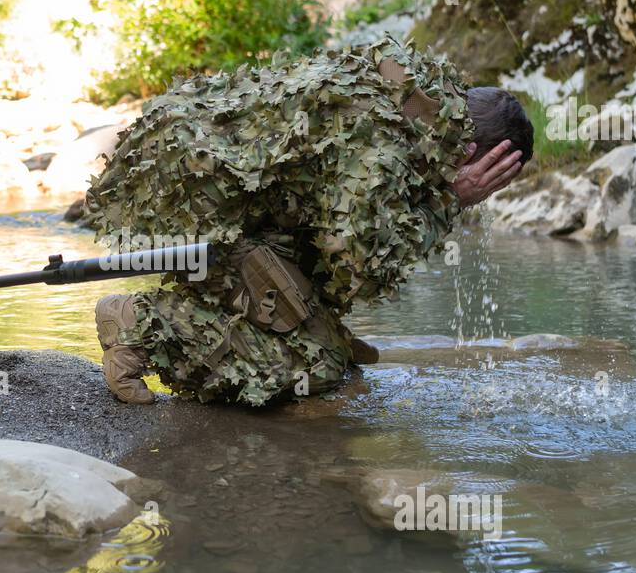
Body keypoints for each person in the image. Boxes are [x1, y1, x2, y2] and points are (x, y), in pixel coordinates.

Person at [83, 36, 533, 407]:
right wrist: (449, 200)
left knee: (322, 314)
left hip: (203, 180)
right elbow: (363, 270)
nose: (482, 197)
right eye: (490, 182)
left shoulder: (413, 94)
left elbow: (327, 218)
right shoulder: (382, 144)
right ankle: (143, 324)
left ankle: (314, 328)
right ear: (472, 154)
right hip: (185, 199)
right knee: (316, 370)